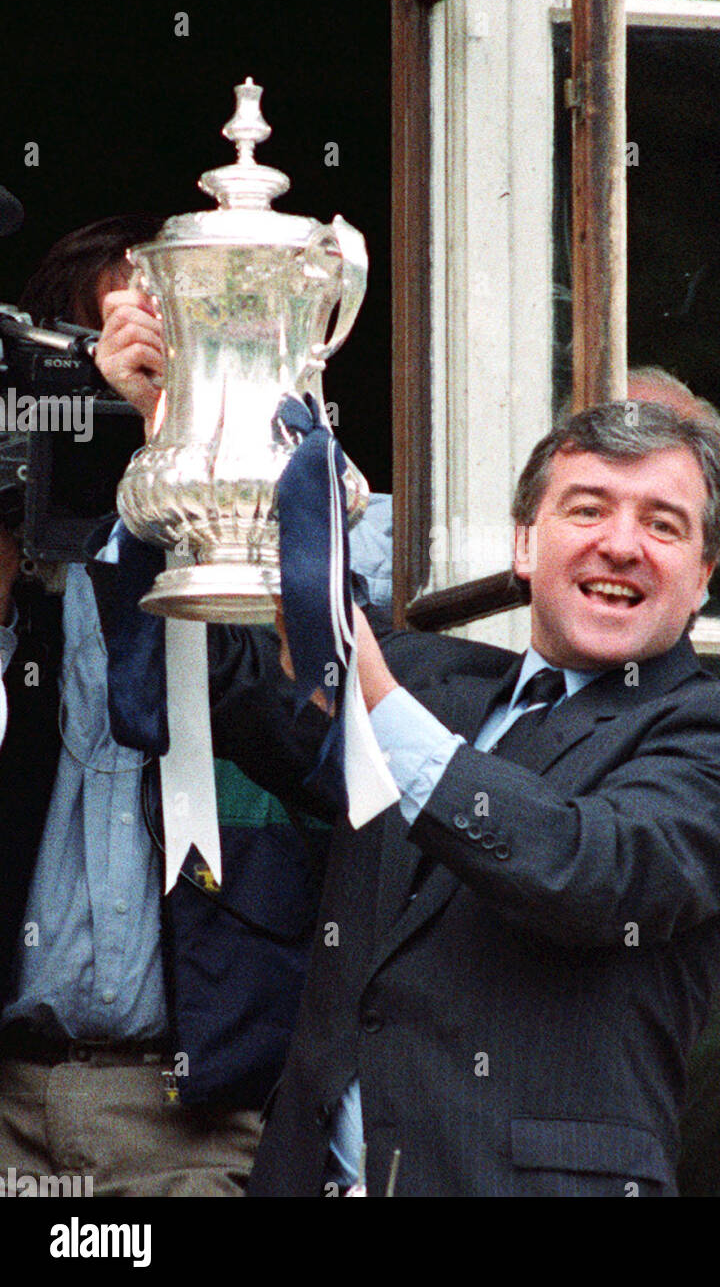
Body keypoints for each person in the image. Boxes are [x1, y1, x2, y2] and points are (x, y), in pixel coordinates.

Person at [251, 400, 720, 1197]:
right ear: (524, 544)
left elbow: (591, 871)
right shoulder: (428, 680)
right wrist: (175, 442)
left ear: (702, 579)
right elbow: (228, 676)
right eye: (586, 510)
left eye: (663, 525)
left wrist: (366, 689)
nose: (620, 545)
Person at [0, 217, 391, 1194]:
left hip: (198, 1111)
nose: (143, 381)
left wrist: (188, 451)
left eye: (185, 345)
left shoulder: (335, 516)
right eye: (108, 362)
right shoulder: (29, 566)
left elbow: (315, 724)